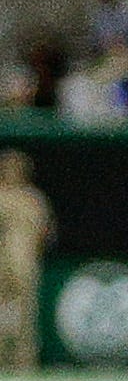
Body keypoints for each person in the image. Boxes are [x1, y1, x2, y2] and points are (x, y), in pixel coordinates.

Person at [0, 151, 49, 370]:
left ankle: (24, 364)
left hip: (25, 261)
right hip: (1, 261)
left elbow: (44, 232)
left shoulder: (33, 199)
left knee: (26, 315)